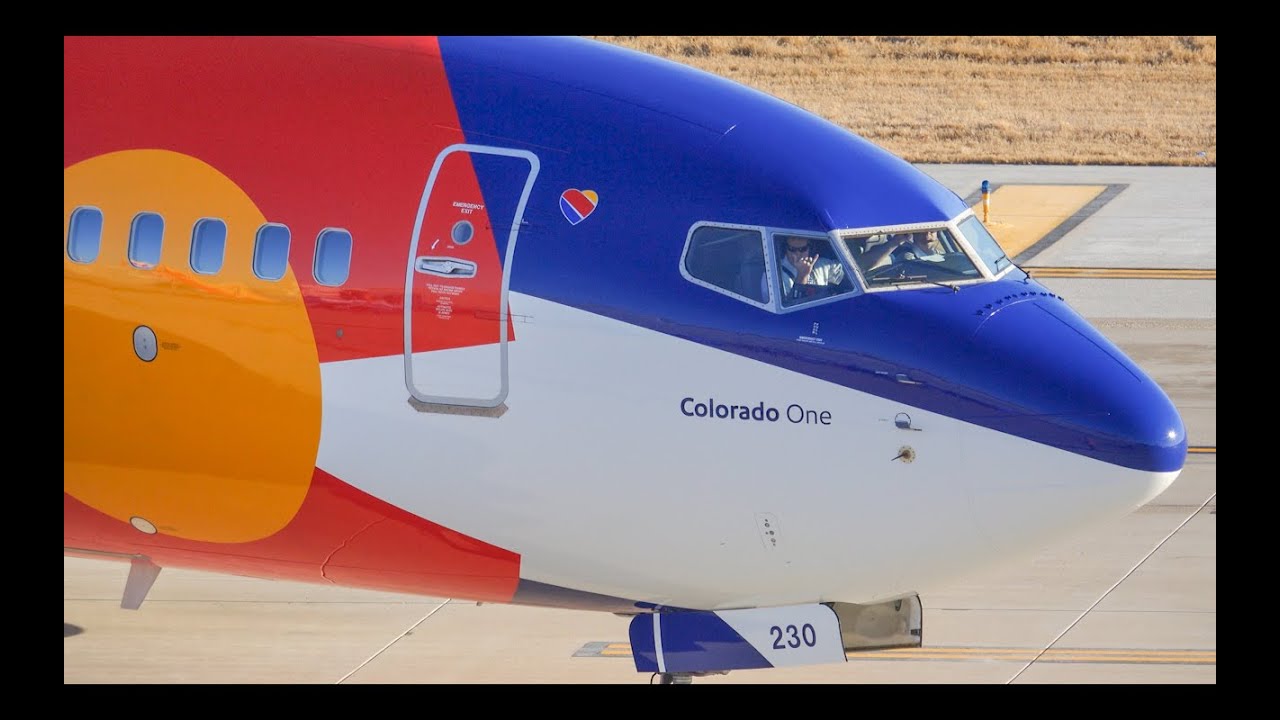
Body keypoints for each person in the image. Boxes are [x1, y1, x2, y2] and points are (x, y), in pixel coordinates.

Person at [766, 236, 846, 302]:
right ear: (785, 249)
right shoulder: (772, 274)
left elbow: (847, 279)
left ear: (810, 249)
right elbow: (791, 308)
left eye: (802, 249)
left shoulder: (822, 265)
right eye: (792, 249)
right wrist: (802, 276)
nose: (798, 254)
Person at [861, 231, 945, 270]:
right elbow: (862, 265)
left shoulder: (943, 255)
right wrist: (895, 242)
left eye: (932, 230)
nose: (927, 233)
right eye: (922, 230)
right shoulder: (898, 253)